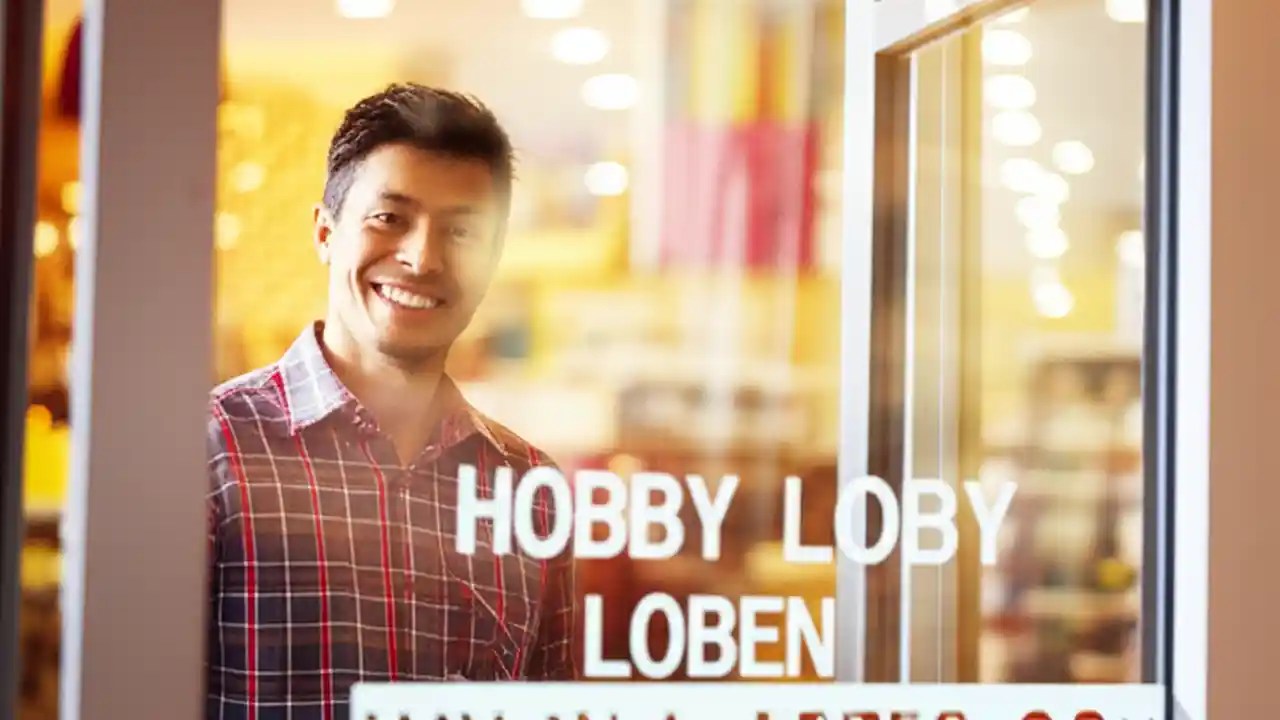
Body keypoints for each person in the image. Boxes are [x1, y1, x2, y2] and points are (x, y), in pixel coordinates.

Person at [205, 83, 576, 720]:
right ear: (325, 231)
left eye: (461, 231)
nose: (422, 257)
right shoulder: (213, 450)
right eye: (389, 217)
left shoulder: (530, 489)